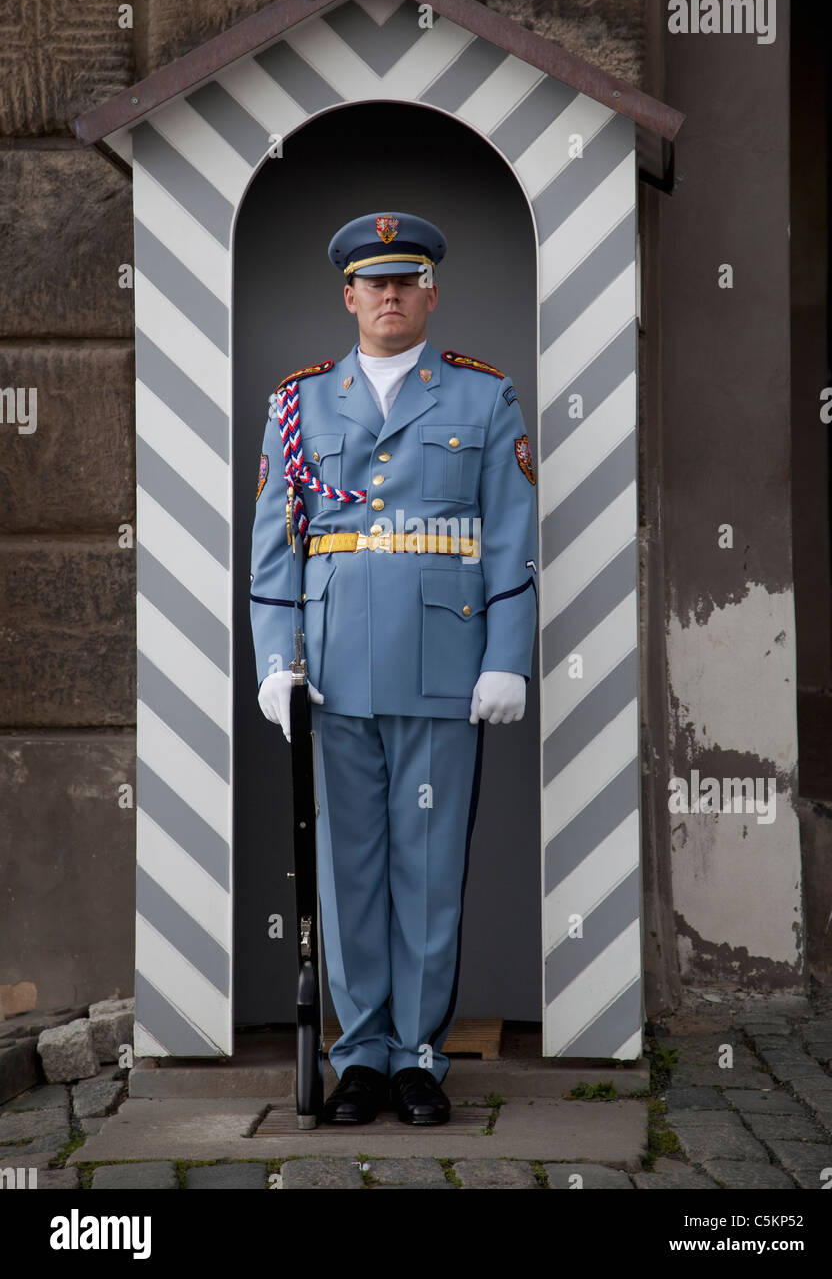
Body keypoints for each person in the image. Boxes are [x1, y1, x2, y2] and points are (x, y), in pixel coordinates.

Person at [249, 211, 538, 1125]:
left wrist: (507, 660)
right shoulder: (296, 404)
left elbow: (511, 545)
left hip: (446, 673)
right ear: (349, 296)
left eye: (405, 281)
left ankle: (418, 1057)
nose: (389, 295)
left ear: (430, 294)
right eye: (373, 282)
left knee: (428, 865)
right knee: (351, 872)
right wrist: (272, 663)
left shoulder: (483, 399)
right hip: (333, 674)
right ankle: (359, 1057)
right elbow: (274, 555)